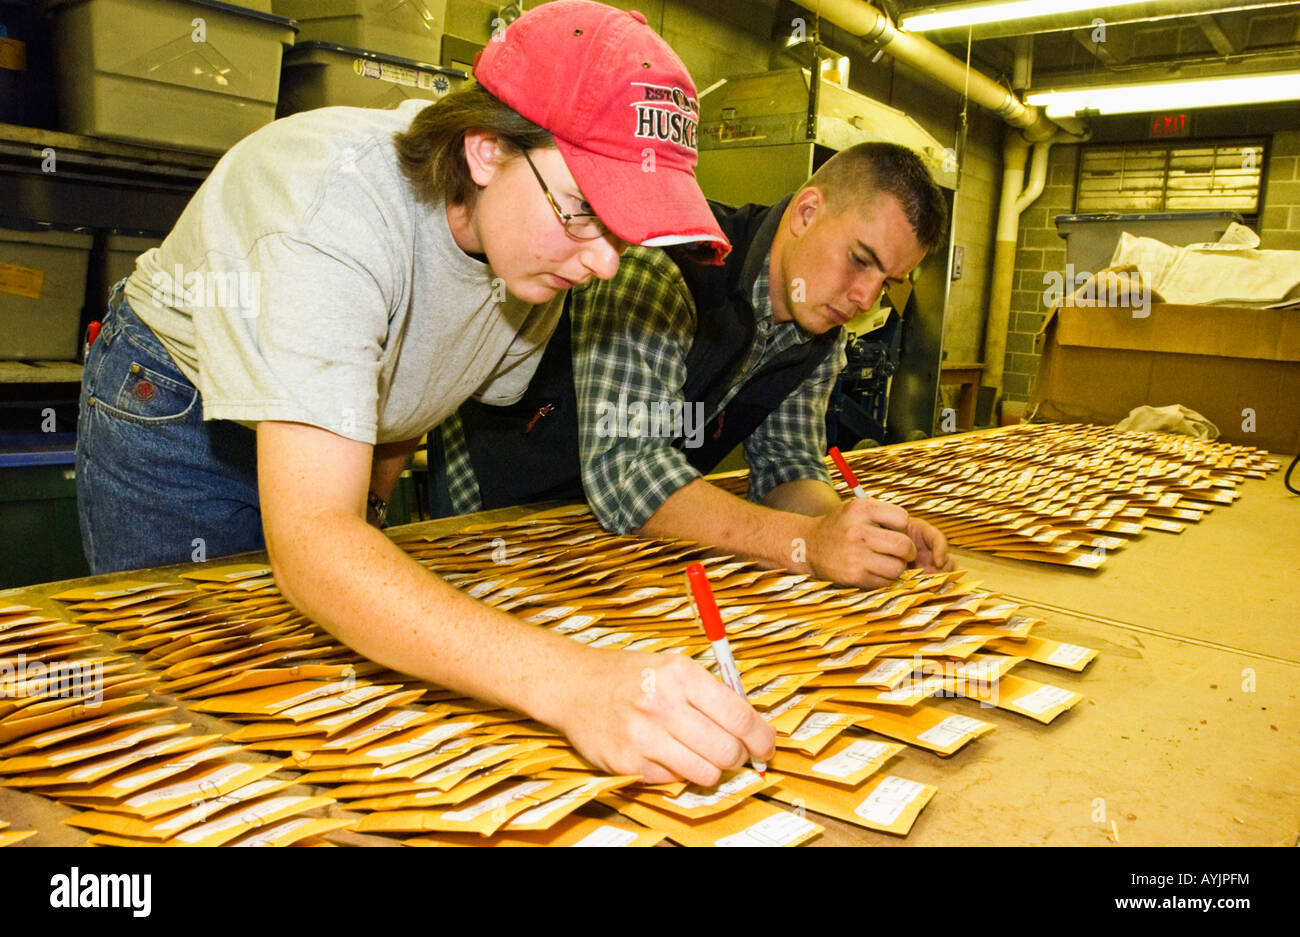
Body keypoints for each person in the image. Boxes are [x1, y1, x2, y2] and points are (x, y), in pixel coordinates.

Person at [75, 1, 773, 786]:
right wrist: (576, 683)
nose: (603, 264)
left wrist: (366, 521)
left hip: (327, 444)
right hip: (180, 411)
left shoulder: (536, 250)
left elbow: (413, 392)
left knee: (311, 702)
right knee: (191, 718)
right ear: (484, 151)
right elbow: (312, 543)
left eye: (624, 230)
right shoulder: (332, 220)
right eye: (585, 213)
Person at [438, 141, 954, 588]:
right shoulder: (665, 266)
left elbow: (788, 465)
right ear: (807, 212)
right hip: (502, 511)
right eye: (860, 259)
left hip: (614, 538)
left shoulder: (817, 330)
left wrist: (856, 533)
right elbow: (630, 472)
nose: (865, 297)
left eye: (887, 281)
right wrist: (807, 543)